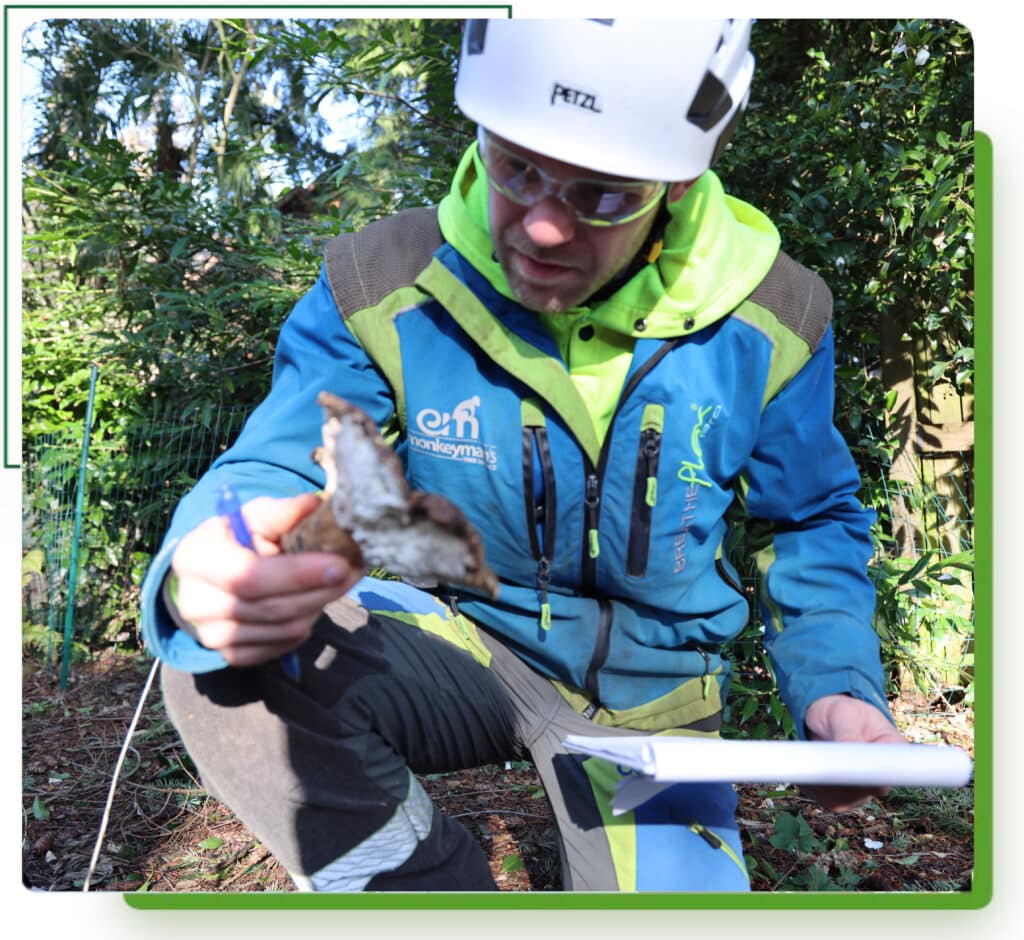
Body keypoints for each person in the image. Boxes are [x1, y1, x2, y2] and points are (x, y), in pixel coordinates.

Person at [140, 18, 906, 892]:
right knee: (228, 678)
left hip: (655, 705)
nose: (543, 228)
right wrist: (213, 552)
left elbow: (809, 521)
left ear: (680, 181)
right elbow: (275, 463)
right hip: (466, 640)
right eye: (517, 166)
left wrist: (838, 685)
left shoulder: (776, 315)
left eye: (604, 194)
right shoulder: (384, 281)